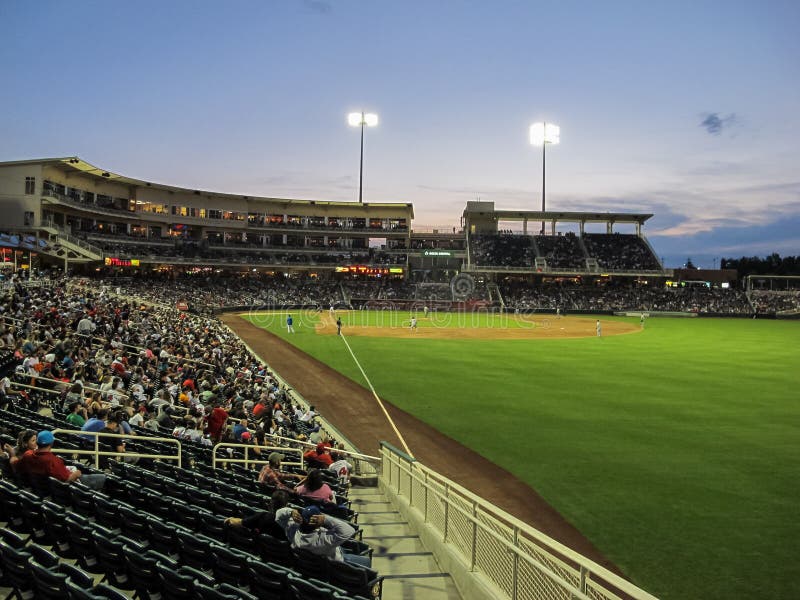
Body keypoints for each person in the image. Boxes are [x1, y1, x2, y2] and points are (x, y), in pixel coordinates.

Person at [275, 505, 370, 567]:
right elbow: (349, 530)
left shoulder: (292, 530)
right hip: (336, 562)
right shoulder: (322, 540)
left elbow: (278, 515)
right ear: (317, 522)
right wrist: (325, 519)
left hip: (312, 564)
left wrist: (290, 512)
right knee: (367, 561)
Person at [18, 431, 106, 490]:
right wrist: (77, 473)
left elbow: (17, 465)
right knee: (105, 478)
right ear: (52, 443)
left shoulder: (27, 454)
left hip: (43, 487)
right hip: (71, 486)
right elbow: (66, 481)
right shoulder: (53, 460)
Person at [224, 489, 291, 539]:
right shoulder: (290, 524)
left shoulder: (262, 516)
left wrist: (230, 519)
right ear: (286, 506)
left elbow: (240, 523)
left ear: (271, 503)